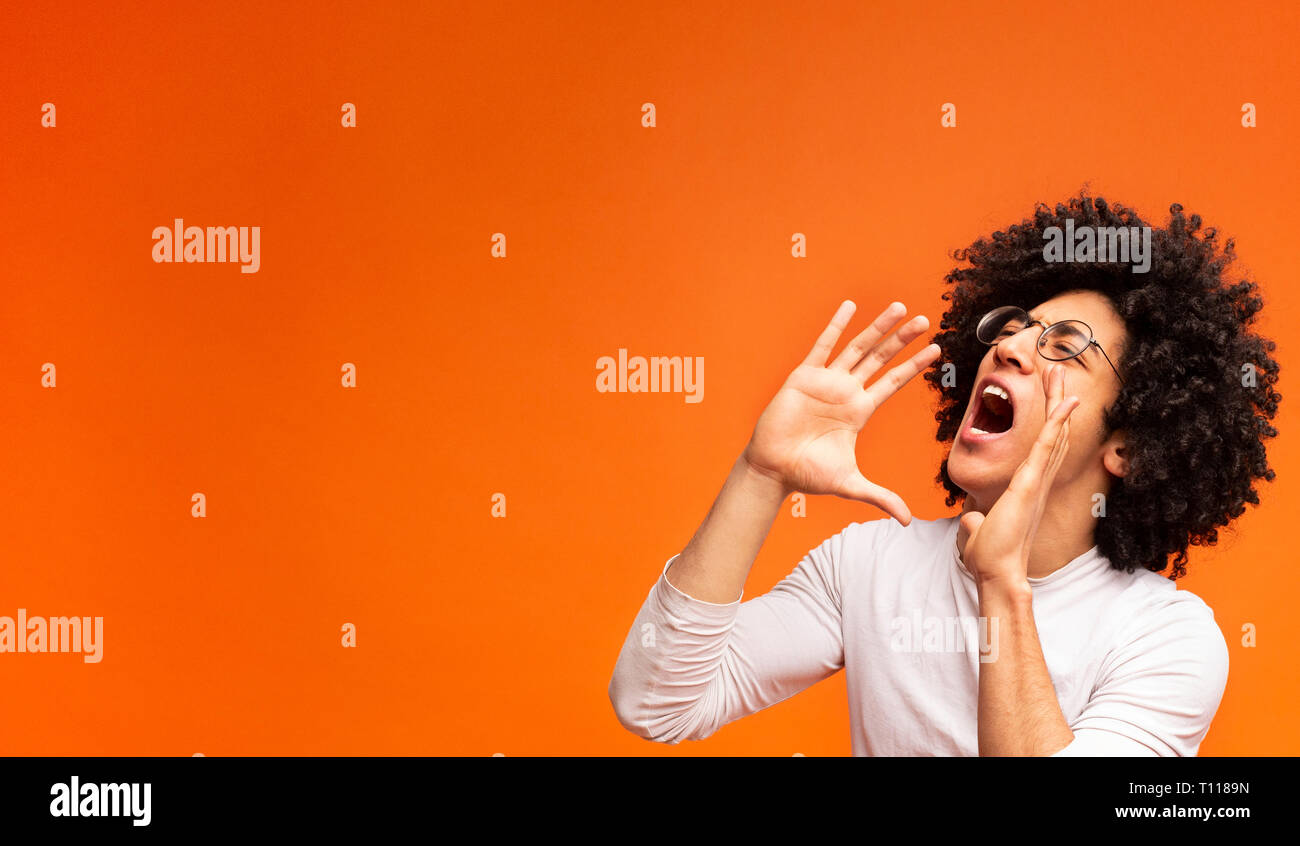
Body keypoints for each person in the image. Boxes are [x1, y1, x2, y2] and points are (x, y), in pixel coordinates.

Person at [607, 194, 1280, 755]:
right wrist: (761, 472)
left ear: (1130, 446)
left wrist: (1001, 584)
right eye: (1013, 328)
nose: (1009, 348)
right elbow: (657, 702)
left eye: (1065, 348)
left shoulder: (1165, 636)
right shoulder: (869, 565)